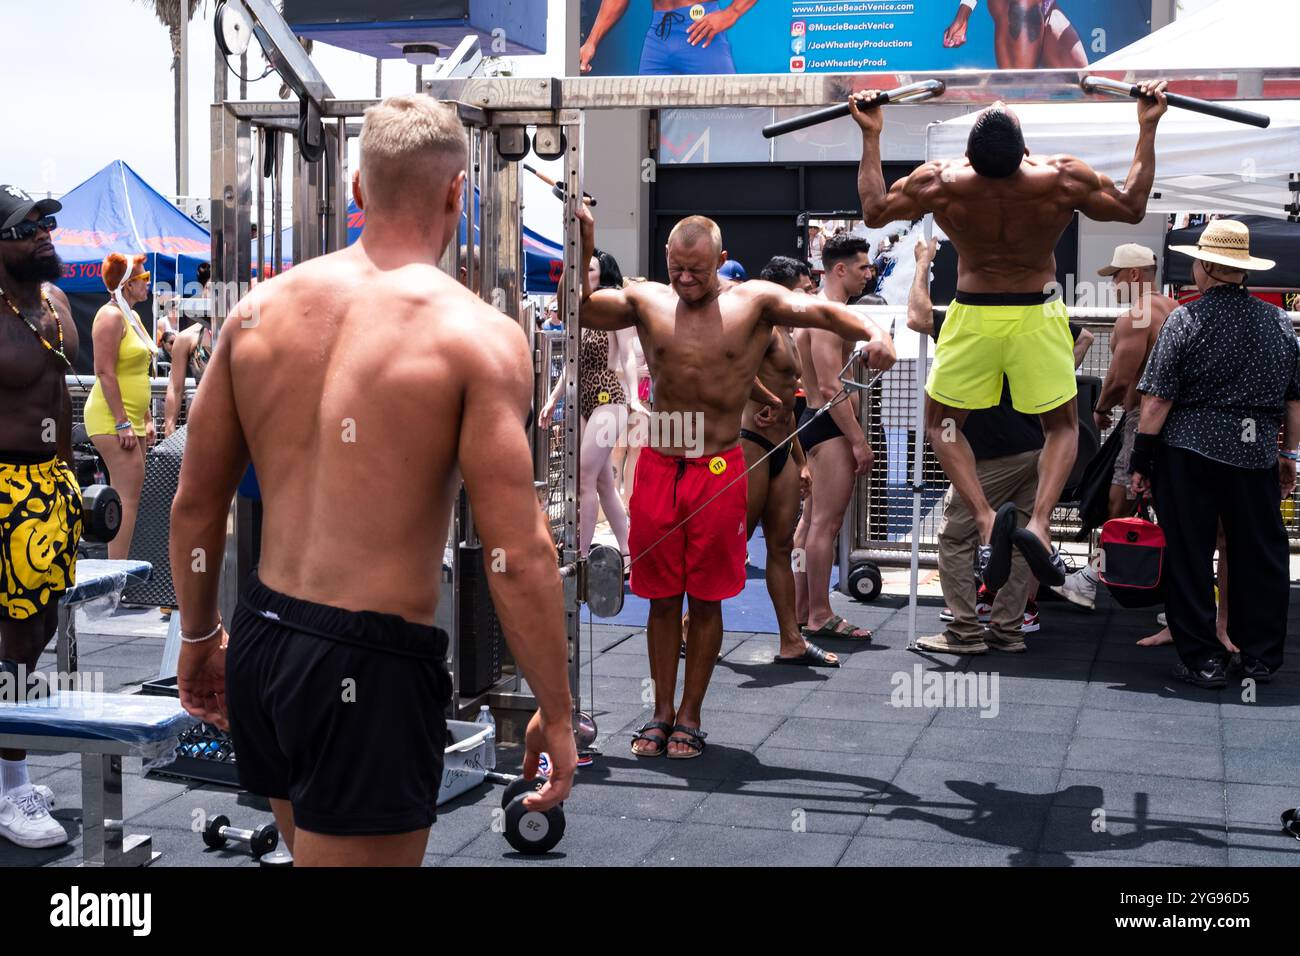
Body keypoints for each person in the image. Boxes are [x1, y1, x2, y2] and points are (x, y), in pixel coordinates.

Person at [169, 95, 576, 866]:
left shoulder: (256, 314)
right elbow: (516, 554)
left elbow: (195, 504)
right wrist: (555, 709)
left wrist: (198, 636)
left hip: (263, 636)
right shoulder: (478, 337)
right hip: (368, 664)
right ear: (459, 192)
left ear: (357, 190)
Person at [579, 208, 894, 759]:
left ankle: (691, 716)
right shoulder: (648, 300)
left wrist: (876, 328)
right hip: (659, 464)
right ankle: (659, 712)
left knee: (705, 598)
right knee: (658, 599)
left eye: (696, 271)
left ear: (720, 262)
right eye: (676, 268)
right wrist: (586, 239)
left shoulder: (753, 302)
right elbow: (578, 309)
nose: (684, 280)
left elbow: (816, 308)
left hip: (718, 468)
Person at [853, 81, 1168, 591]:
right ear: (1025, 151)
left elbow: (873, 209)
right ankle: (1040, 525)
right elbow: (1132, 205)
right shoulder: (1059, 177)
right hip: (1036, 313)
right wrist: (1147, 124)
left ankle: (982, 519)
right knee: (1062, 428)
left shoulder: (945, 181)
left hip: (974, 313)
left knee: (942, 426)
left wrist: (870, 136)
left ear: (969, 156)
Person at [1130, 219, 1300, 688]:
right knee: (1260, 555)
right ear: (1242, 269)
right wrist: (1291, 453)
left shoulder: (1185, 318)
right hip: (1257, 450)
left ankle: (1203, 659)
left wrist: (1140, 462)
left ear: (1205, 265)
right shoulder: (1277, 321)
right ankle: (1260, 657)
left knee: (1190, 553)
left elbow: (1157, 400)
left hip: (1191, 451)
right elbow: (1293, 398)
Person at [910, 238, 1091, 653]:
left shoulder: (972, 321)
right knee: (1026, 534)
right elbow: (1084, 339)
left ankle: (965, 631)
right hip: (1036, 444)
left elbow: (917, 316)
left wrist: (923, 263)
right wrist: (1052, 379)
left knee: (958, 535)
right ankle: (1008, 630)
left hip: (994, 449)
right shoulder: (1038, 319)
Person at [0, 188, 78, 848]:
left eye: (48, 224)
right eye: (28, 229)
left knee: (42, 625)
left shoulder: (50, 306)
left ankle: (7, 775)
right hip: (4, 490)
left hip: (52, 486)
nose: (46, 234)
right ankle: (13, 788)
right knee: (17, 639)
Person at [1055, 244, 1178, 609]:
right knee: (1167, 505)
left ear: (1135, 275)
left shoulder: (1136, 316)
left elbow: (1121, 377)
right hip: (1179, 423)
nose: (1112, 285)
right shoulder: (1175, 311)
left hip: (1144, 420)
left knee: (1117, 500)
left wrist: (1100, 408)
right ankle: (1171, 592)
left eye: (1116, 277)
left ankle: (1092, 578)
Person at [744, 256, 835, 666]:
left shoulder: (788, 332)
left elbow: (788, 408)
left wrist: (800, 460)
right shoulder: (759, 328)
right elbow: (735, 370)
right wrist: (767, 399)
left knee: (780, 548)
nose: (811, 292)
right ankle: (691, 623)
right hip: (751, 445)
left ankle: (791, 640)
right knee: (733, 546)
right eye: (804, 286)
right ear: (781, 289)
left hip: (782, 446)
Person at [792, 234, 878, 640]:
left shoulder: (815, 311)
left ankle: (802, 609)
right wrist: (858, 440)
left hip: (814, 422)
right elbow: (830, 386)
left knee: (809, 524)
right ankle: (820, 614)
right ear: (839, 269)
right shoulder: (828, 314)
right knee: (825, 524)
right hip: (828, 425)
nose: (869, 273)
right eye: (863, 266)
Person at [539, 249, 643, 561]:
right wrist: (552, 399)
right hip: (583, 396)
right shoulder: (582, 312)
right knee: (602, 482)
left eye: (591, 268)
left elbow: (627, 355)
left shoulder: (615, 310)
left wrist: (635, 395)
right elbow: (572, 366)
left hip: (609, 397)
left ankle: (579, 553)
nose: (585, 272)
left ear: (604, 273)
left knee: (583, 475)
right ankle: (627, 553)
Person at [82, 252, 157, 560]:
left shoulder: (131, 316)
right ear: (128, 284)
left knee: (131, 495)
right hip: (111, 417)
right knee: (127, 497)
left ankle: (117, 574)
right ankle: (115, 577)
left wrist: (147, 417)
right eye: (144, 279)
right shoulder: (110, 316)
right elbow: (104, 371)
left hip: (129, 416)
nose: (148, 284)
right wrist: (123, 421)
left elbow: (138, 373)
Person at [579, 0, 758, 76]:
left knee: (726, 116)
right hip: (659, 37)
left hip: (701, 32)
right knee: (648, 122)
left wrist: (731, 13)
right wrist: (591, 42)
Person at [943, 0, 1087, 69]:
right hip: (1018, 6)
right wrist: (964, 12)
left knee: (1082, 87)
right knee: (1019, 95)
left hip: (1047, 5)